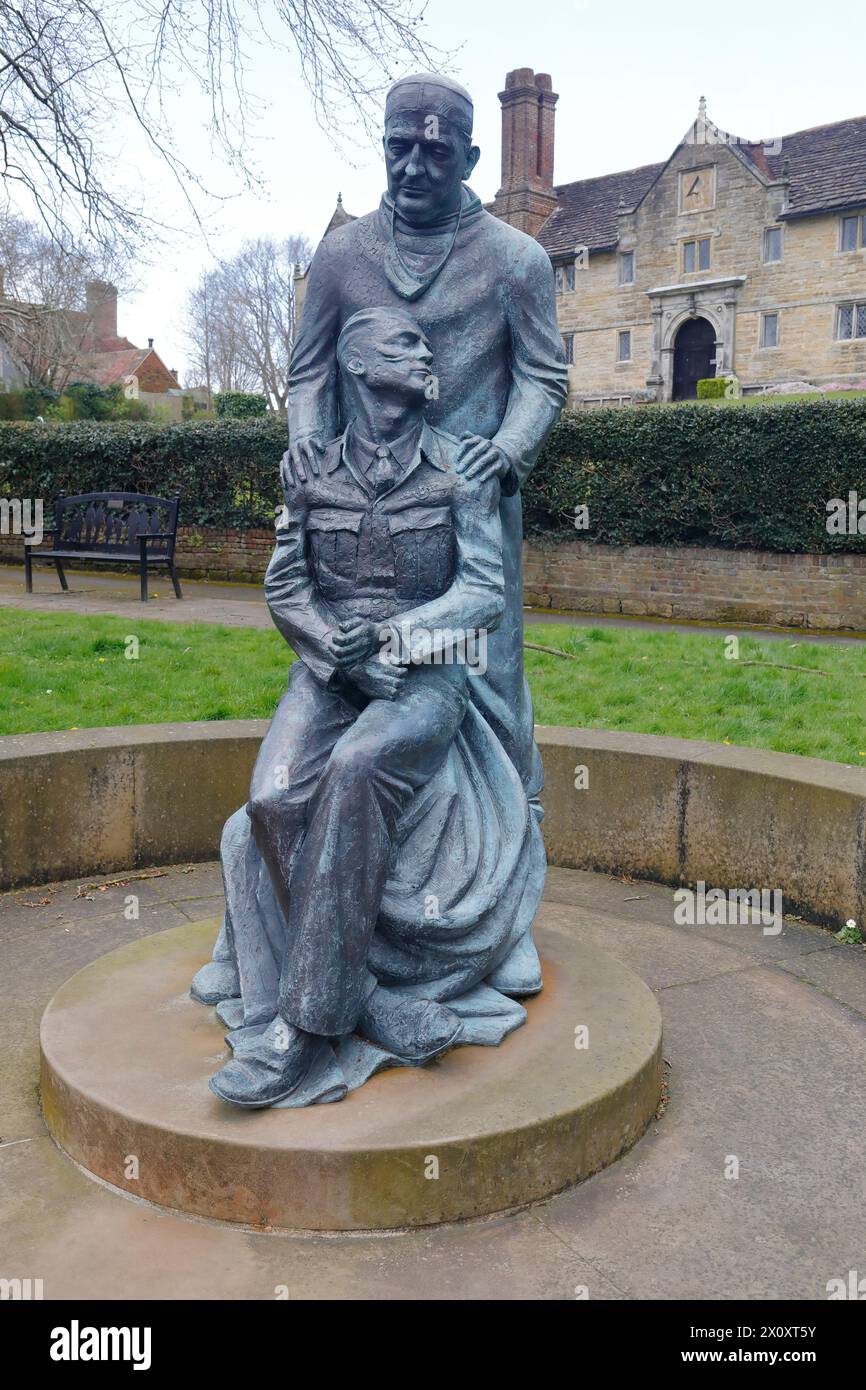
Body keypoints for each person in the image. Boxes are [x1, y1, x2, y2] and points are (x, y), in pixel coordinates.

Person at [282, 71, 568, 996]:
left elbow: (544, 377)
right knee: (341, 695)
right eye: (399, 145)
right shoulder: (341, 257)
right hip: (367, 501)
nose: (413, 165)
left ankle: (500, 914)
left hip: (471, 505)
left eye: (436, 151)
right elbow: (308, 373)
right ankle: (320, 928)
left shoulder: (516, 260)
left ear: (470, 159)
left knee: (497, 694)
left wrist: (504, 451)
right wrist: (308, 458)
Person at [208, 306, 508, 1107]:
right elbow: (285, 585)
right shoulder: (308, 469)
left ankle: (302, 1032)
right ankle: (369, 997)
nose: (425, 353)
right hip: (329, 672)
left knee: (357, 763)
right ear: (360, 363)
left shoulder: (460, 469)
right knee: (270, 798)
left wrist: (396, 639)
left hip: (426, 679)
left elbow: (484, 593)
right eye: (405, 343)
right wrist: (325, 644)